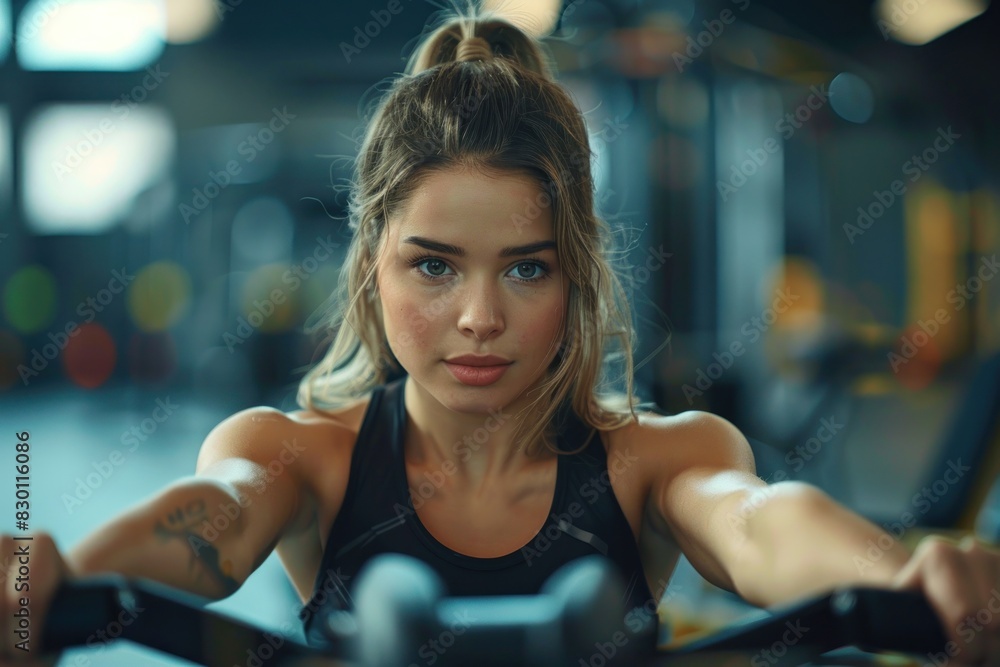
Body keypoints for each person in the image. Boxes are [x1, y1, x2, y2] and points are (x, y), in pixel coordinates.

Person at [4, 7, 1000, 666]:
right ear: (371, 271)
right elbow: (208, 519)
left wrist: (902, 571)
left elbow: (756, 522)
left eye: (525, 267)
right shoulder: (291, 456)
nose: (479, 317)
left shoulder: (662, 461)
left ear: (577, 274)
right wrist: (59, 579)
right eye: (433, 265)